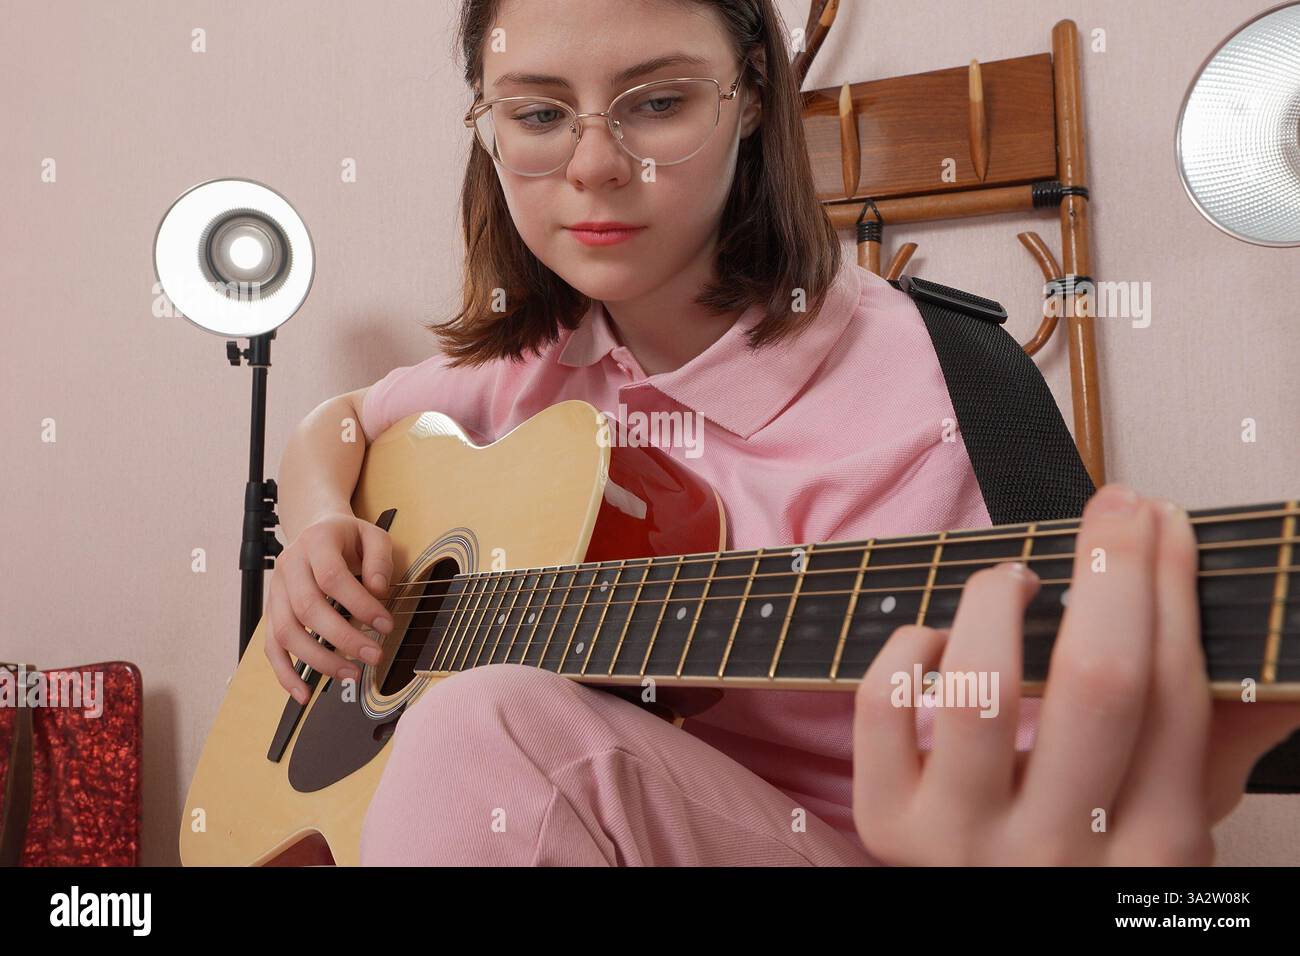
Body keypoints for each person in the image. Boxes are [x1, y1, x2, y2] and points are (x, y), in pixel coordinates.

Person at [268, 0, 1300, 865]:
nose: (592, 165)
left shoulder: (945, 400)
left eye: (658, 102)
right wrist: (316, 522)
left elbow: (1064, 789)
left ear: (755, 95)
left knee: (478, 726)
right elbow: (342, 421)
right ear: (485, 124)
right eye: (538, 113)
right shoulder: (526, 368)